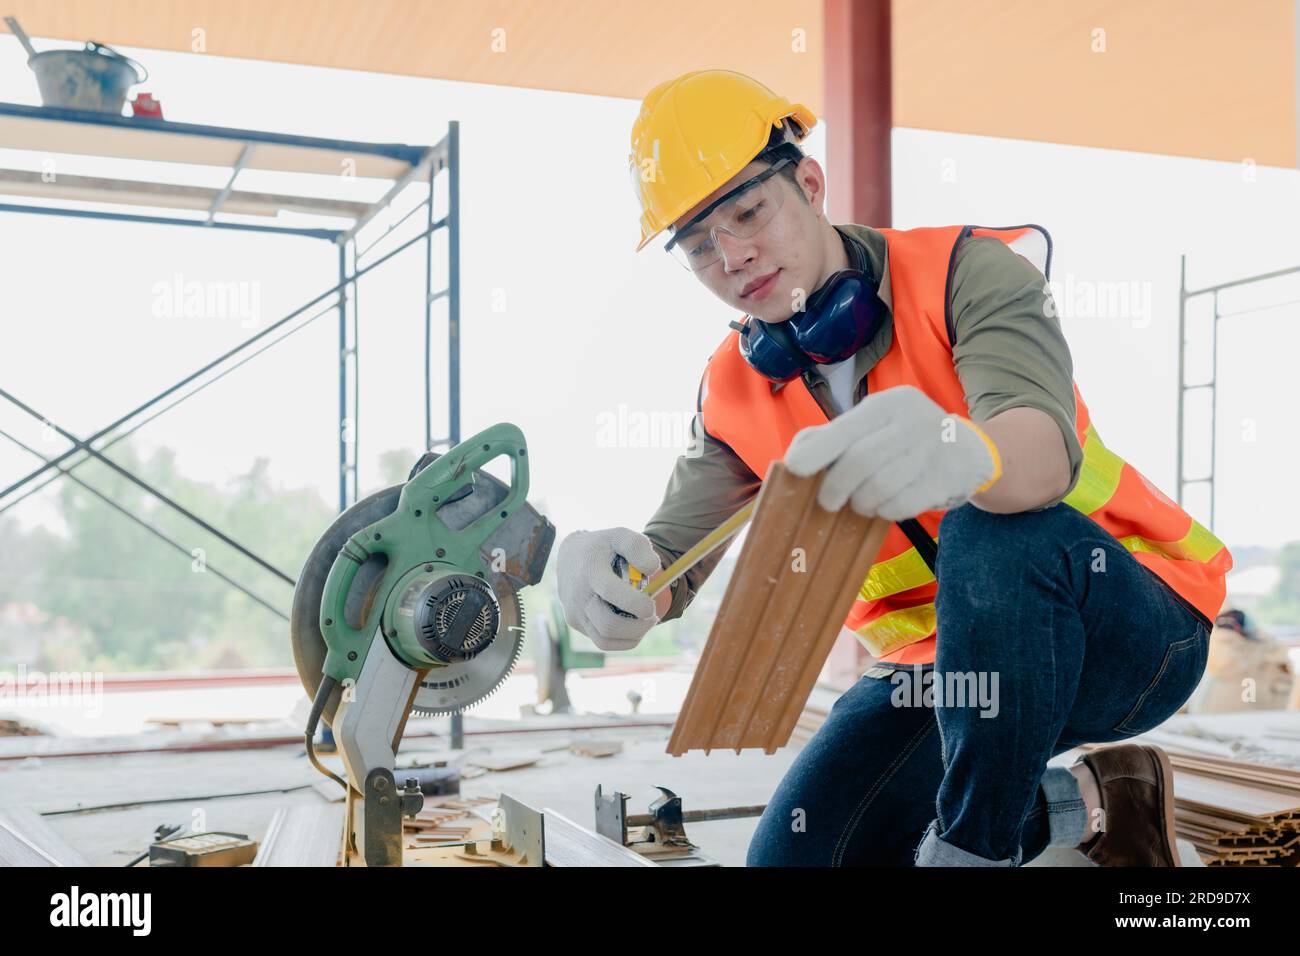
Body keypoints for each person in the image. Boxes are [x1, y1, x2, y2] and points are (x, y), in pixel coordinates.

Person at [556, 69, 1233, 866]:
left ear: (808, 182)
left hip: (1129, 633)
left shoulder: (965, 273)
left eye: (747, 211)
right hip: (946, 675)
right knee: (801, 857)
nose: (733, 255)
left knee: (997, 530)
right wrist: (615, 576)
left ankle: (976, 850)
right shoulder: (735, 389)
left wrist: (960, 452)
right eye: (699, 245)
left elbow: (1041, 457)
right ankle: (1101, 795)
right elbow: (670, 557)